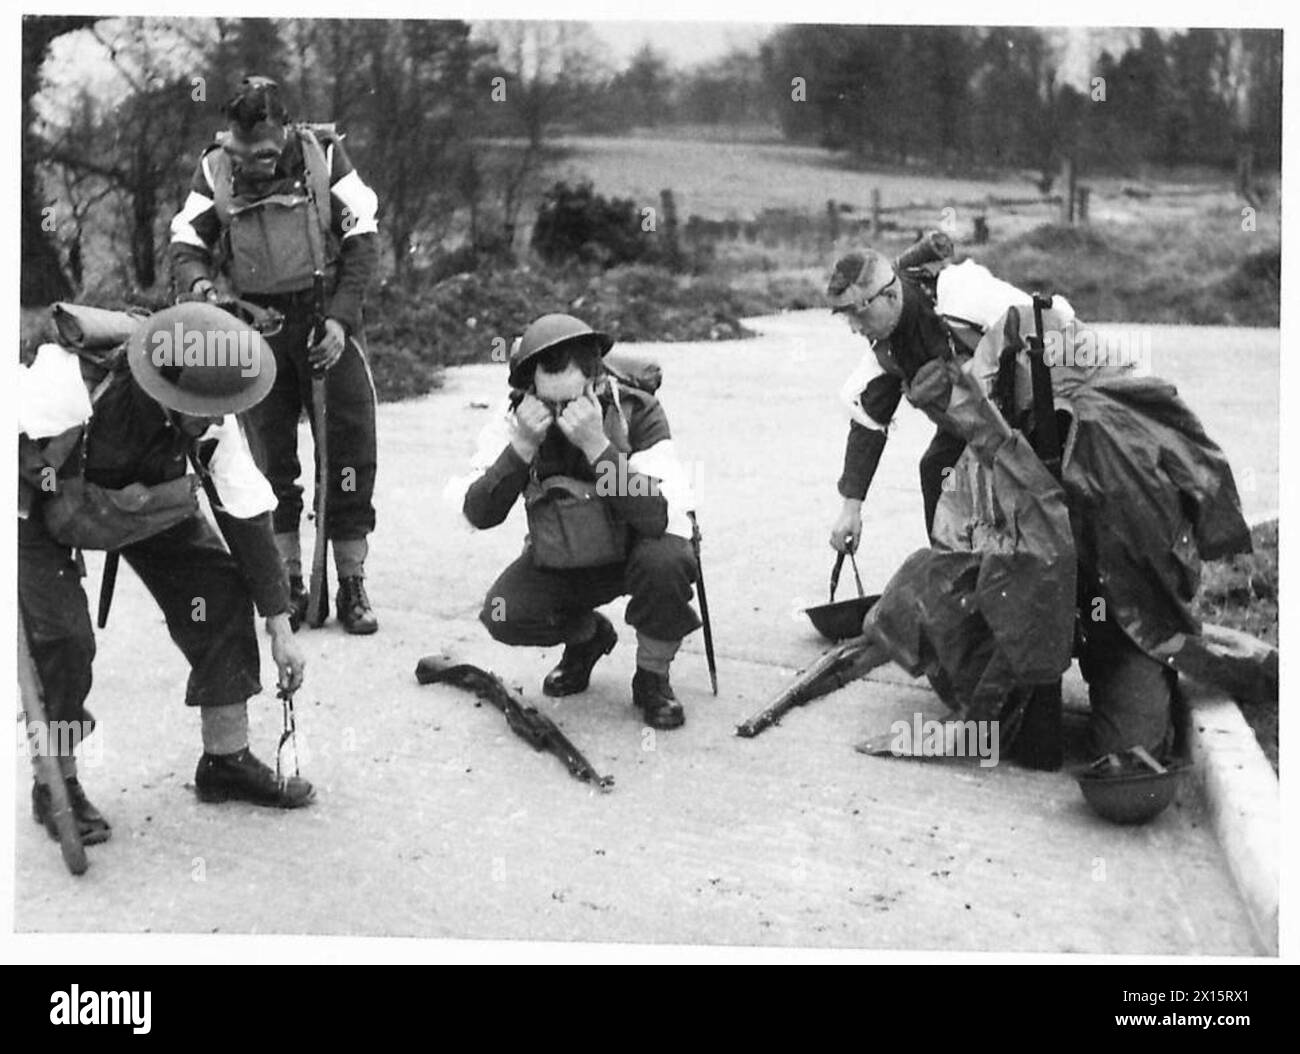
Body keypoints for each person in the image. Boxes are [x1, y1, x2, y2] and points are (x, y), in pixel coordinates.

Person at [18, 303, 314, 847]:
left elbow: (246, 513)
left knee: (218, 592)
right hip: (38, 510)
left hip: (141, 506)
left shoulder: (214, 420)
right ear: (166, 392)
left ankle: (225, 761)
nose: (214, 420)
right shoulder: (64, 390)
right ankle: (54, 781)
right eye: (200, 411)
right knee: (62, 640)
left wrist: (280, 627)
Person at [169, 75, 381, 634]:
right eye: (245, 153)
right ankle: (287, 577)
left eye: (265, 153)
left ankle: (352, 580)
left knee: (350, 453)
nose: (256, 165)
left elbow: (362, 238)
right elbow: (187, 246)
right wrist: (207, 297)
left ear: (285, 132)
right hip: (255, 332)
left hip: (324, 321)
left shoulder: (324, 156)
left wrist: (339, 317)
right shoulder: (214, 169)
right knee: (268, 459)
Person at [451, 313, 701, 730]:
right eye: (550, 402)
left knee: (668, 560)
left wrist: (597, 446)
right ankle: (588, 639)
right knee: (501, 613)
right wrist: (521, 447)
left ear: (597, 380)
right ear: (530, 388)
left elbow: (656, 516)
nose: (561, 413)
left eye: (573, 400)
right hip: (567, 552)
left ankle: (652, 677)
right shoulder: (515, 417)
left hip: (637, 551)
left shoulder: (637, 410)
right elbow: (479, 514)